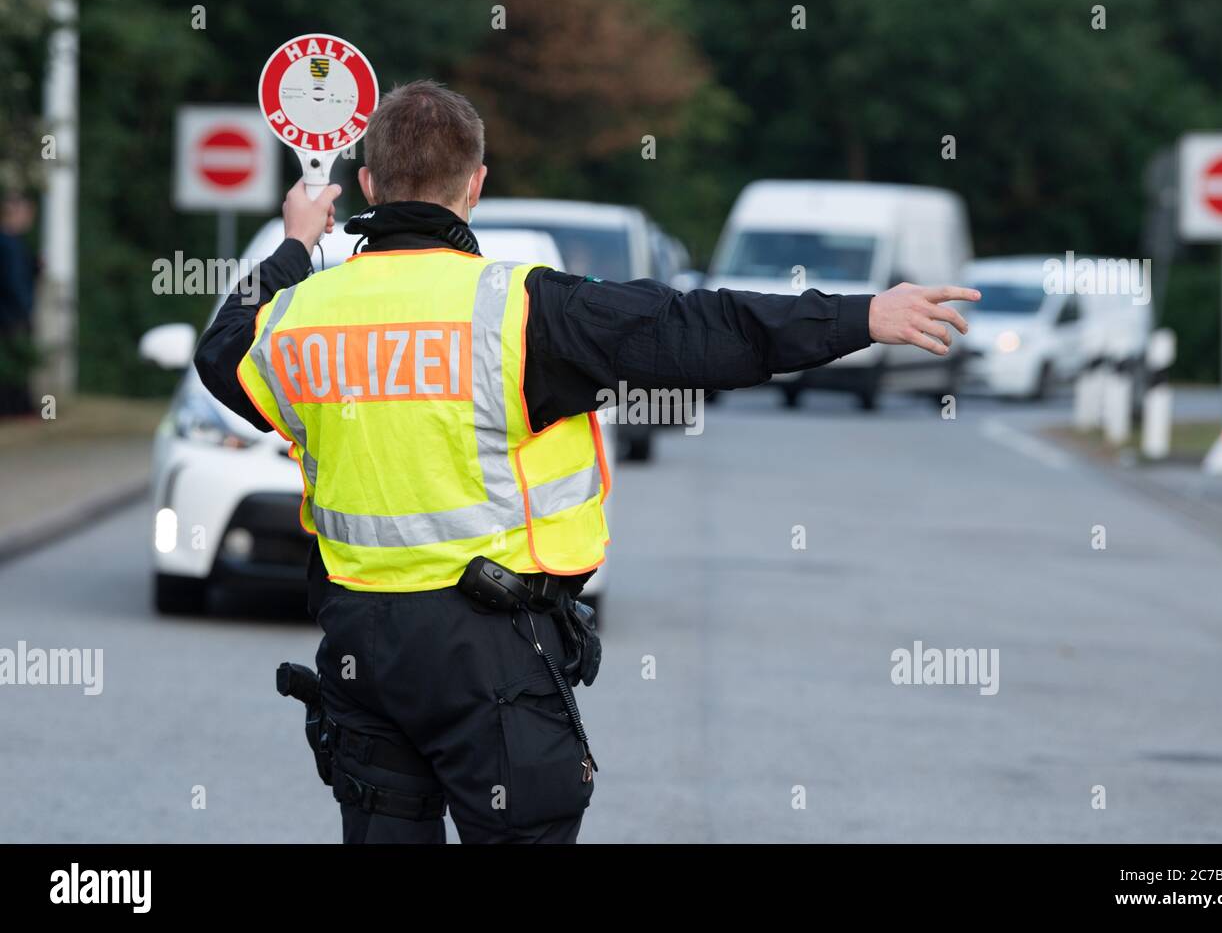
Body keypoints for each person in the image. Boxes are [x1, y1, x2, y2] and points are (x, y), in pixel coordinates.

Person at [193, 80, 978, 844]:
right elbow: (697, 329)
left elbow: (222, 349)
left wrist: (295, 244)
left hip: (362, 647)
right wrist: (860, 316)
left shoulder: (298, 316)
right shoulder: (525, 308)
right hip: (488, 649)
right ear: (476, 185)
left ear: (366, 183)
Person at [0, 193, 38, 418]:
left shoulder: (15, 242)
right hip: (11, 314)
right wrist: (24, 308)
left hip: (12, 312)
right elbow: (13, 282)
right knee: (16, 363)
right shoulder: (8, 243)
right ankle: (16, 409)